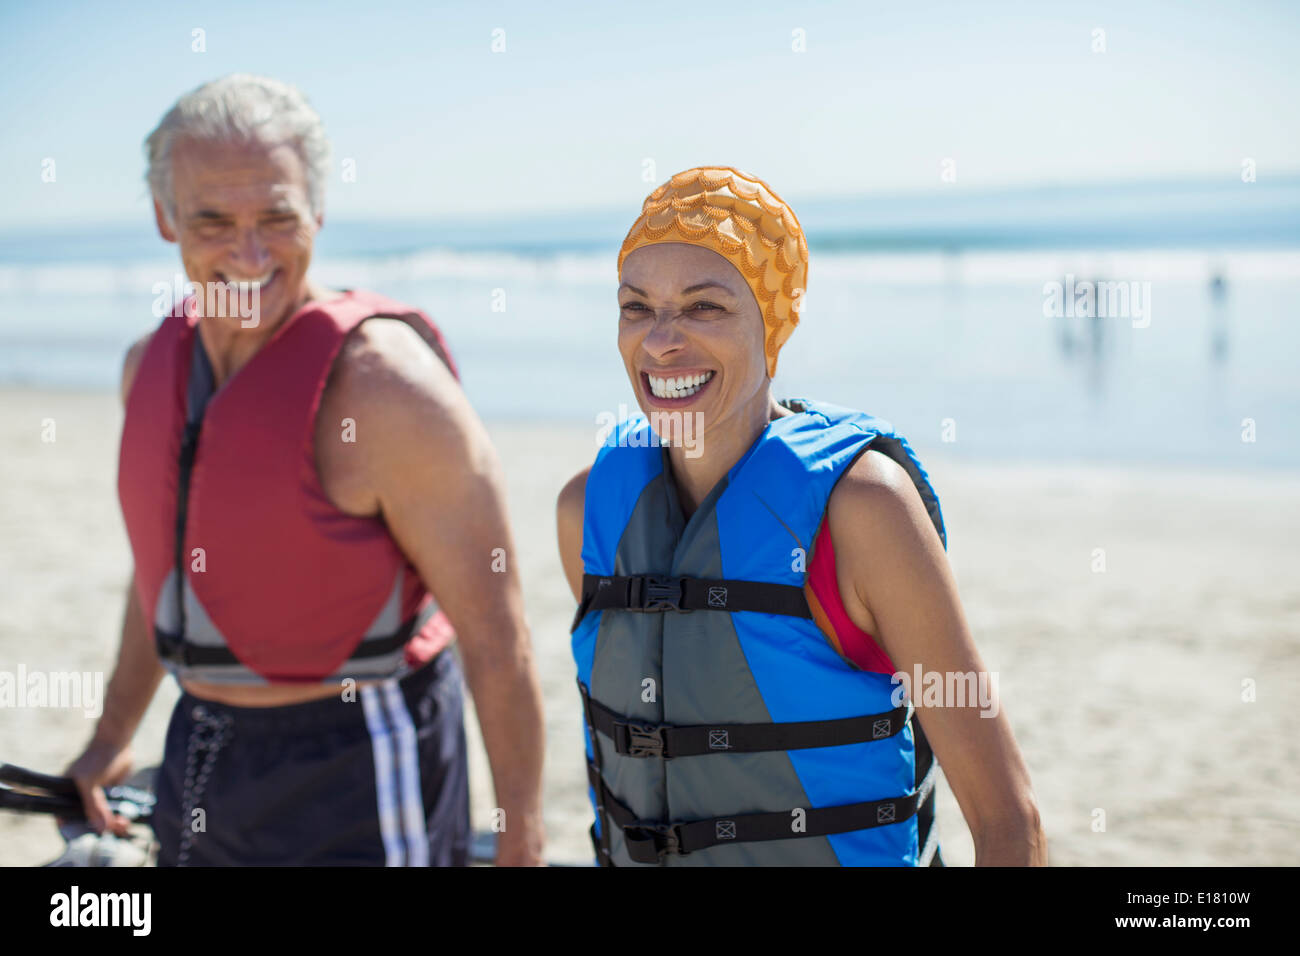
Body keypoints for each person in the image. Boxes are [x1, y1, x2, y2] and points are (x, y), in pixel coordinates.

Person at [63, 74, 546, 866]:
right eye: (212, 219)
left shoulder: (389, 390)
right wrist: (110, 737)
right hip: (203, 749)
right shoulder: (148, 367)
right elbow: (167, 575)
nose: (248, 254)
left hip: (361, 757)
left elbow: (499, 635)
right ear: (164, 218)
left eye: (278, 218)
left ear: (318, 212)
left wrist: (522, 838)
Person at [556, 166, 1047, 866]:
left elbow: (1008, 818)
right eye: (637, 308)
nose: (661, 341)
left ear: (774, 325)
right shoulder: (588, 510)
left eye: (704, 308)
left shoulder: (863, 510)